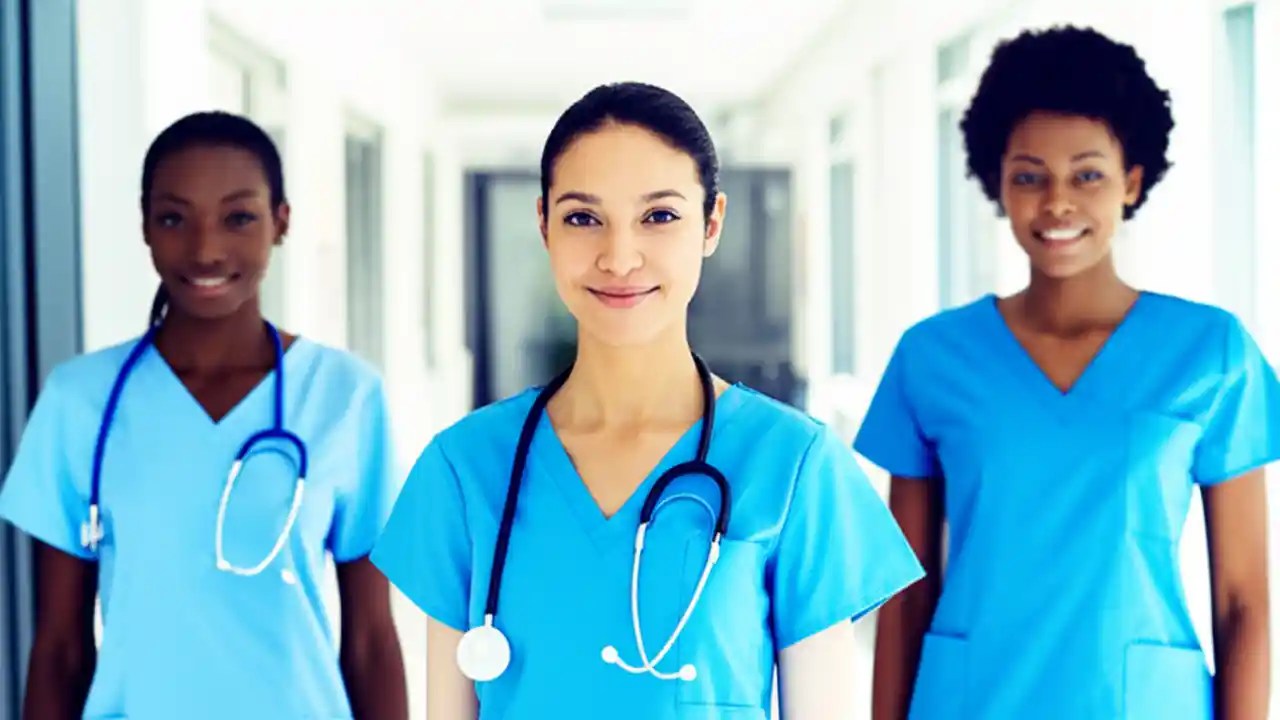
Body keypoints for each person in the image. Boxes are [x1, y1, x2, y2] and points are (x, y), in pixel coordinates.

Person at [369, 81, 923, 719]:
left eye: (659, 216)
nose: (619, 256)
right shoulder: (465, 466)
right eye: (583, 217)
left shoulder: (794, 464)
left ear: (711, 223)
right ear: (543, 224)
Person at [857, 25, 1277, 720]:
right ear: (998, 182)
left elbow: (1244, 602)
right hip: (970, 701)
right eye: (1030, 176)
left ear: (1131, 181)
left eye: (1087, 174)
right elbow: (905, 595)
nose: (1057, 203)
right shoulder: (933, 358)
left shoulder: (1210, 353)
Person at [0, 111, 408, 719]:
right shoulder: (79, 402)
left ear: (281, 222)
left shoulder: (344, 396)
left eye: (238, 217)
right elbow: (59, 651)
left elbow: (372, 642)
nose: (206, 248)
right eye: (173, 218)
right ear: (145, 226)